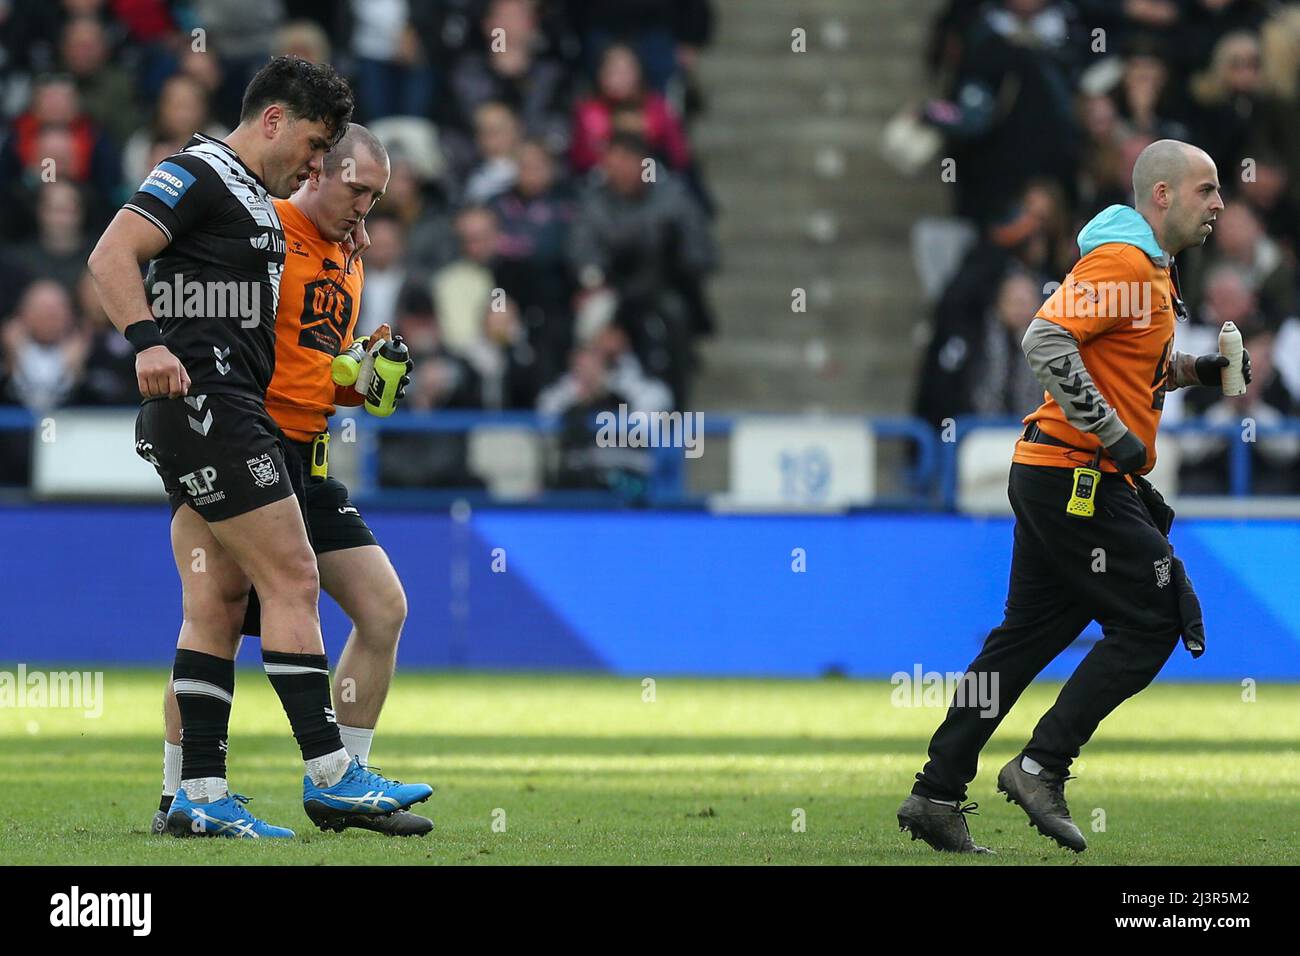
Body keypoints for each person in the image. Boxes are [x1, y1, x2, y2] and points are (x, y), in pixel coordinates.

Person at [86, 56, 430, 839]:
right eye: (321, 157)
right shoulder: (226, 187)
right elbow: (115, 255)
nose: (315, 167)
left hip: (271, 435)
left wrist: (357, 381)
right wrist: (147, 342)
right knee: (276, 584)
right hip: (224, 420)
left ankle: (195, 794)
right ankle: (329, 776)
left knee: (231, 608)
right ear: (276, 123)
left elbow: (287, 352)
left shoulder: (270, 213)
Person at [896, 139, 1252, 854]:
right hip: (1079, 477)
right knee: (1155, 618)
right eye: (1207, 189)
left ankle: (936, 792)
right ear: (1161, 195)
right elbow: (1046, 339)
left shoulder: (1150, 270)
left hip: (1056, 470)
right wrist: (1114, 433)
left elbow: (1131, 365)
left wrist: (1204, 370)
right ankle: (1041, 766)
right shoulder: (1123, 262)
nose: (1219, 203)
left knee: (1024, 640)